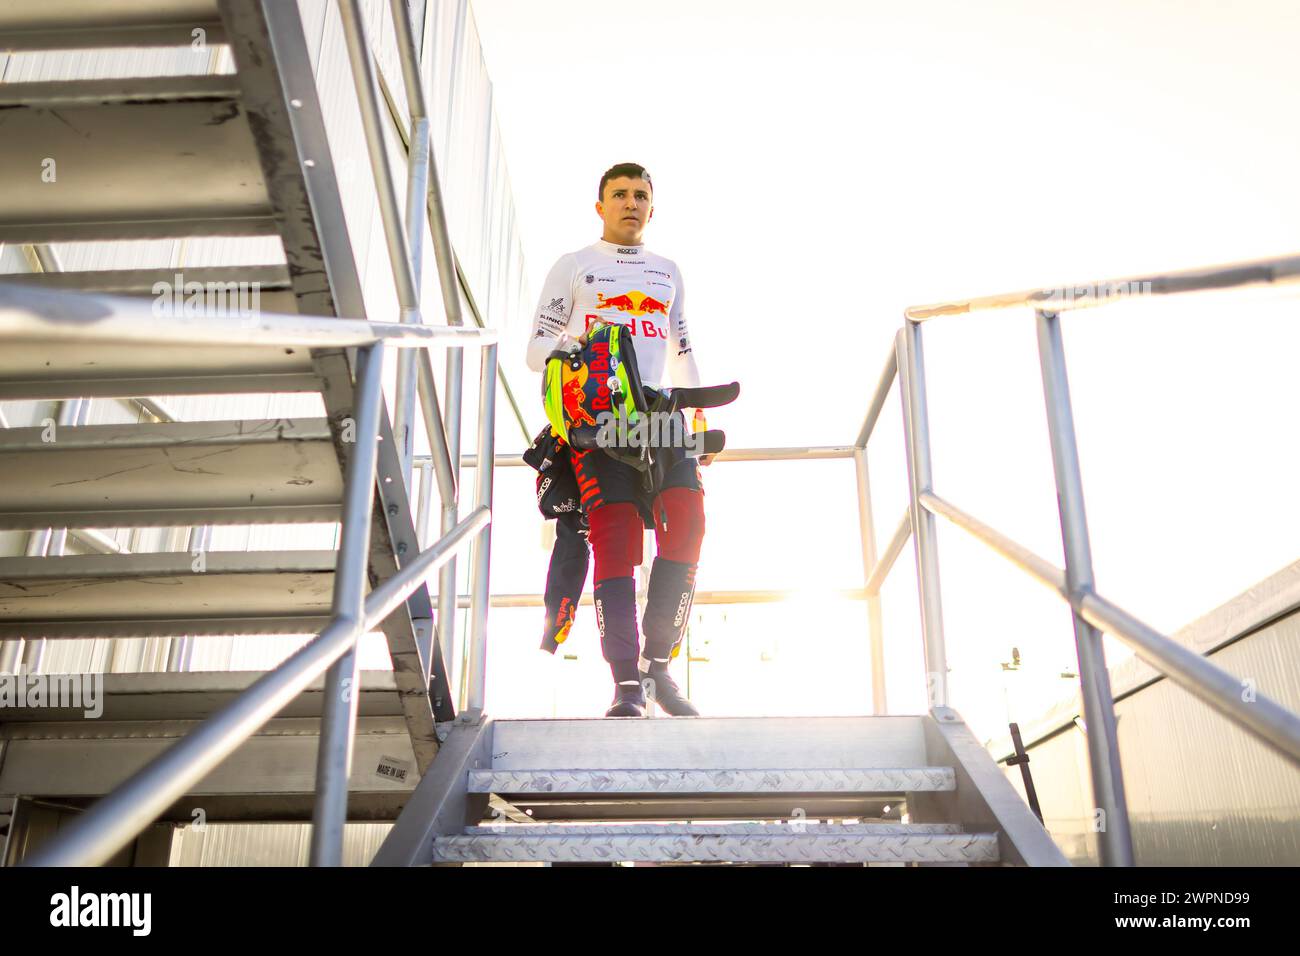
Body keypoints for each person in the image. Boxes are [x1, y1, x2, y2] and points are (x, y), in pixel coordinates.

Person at [525, 162, 711, 718]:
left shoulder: (668, 270)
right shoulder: (575, 265)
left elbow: (682, 352)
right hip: (599, 421)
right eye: (620, 195)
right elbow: (536, 349)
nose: (631, 203)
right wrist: (569, 350)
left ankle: (659, 668)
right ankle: (625, 682)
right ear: (600, 206)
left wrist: (696, 418)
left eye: (641, 195)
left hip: (663, 419)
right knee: (616, 540)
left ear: (652, 207)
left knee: (689, 526)